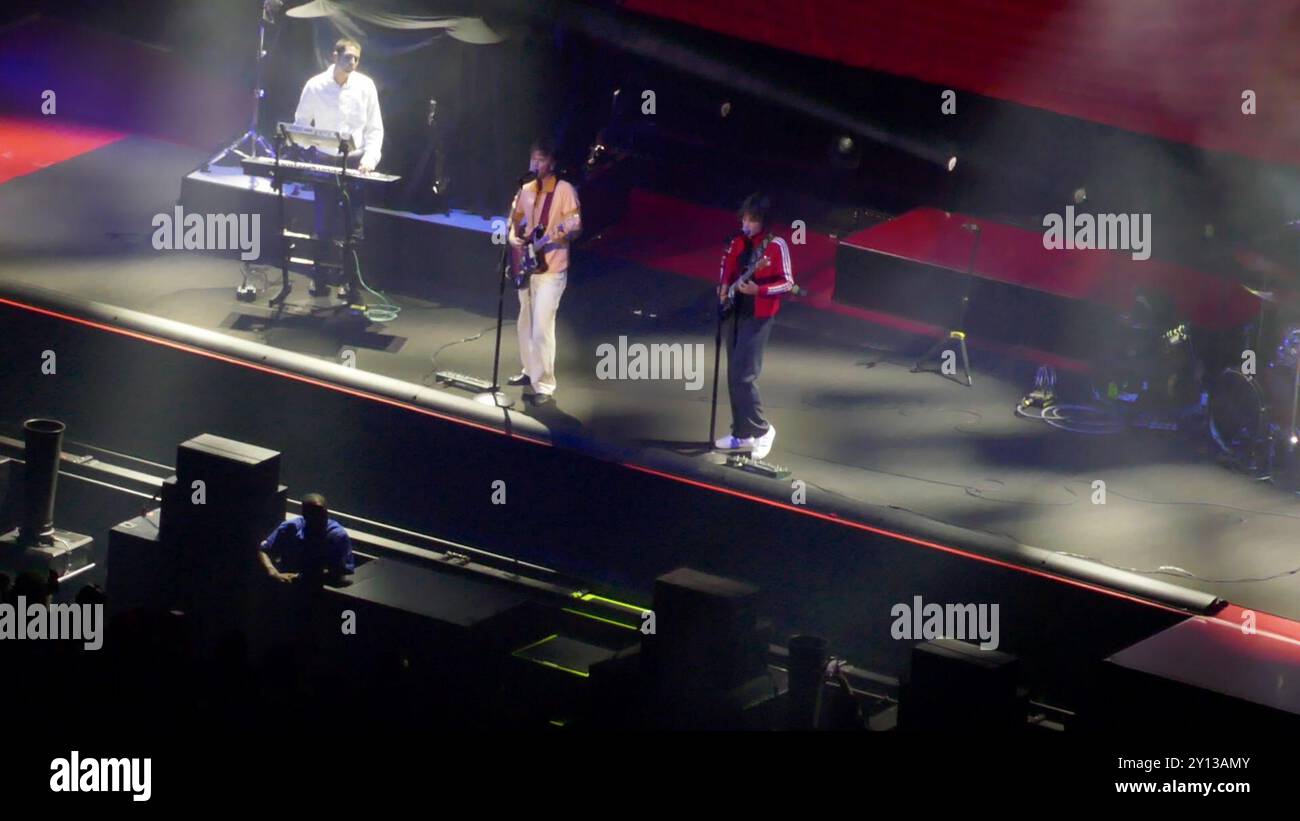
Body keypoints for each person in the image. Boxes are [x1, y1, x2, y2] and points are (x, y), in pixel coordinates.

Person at [293, 37, 384, 304]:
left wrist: (371, 158)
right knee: (323, 223)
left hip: (354, 162)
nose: (352, 63)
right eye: (348, 58)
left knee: (354, 228)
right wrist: (310, 143)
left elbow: (375, 128)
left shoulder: (365, 86)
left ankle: (349, 282)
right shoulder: (315, 85)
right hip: (325, 160)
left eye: (356, 59)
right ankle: (319, 275)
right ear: (335, 56)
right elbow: (300, 125)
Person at [714, 193, 795, 460]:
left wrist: (759, 289)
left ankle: (762, 431)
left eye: (753, 220)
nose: (746, 224)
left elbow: (787, 283)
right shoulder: (738, 240)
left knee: (744, 376)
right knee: (732, 376)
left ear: (764, 221)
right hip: (736, 313)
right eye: (745, 218)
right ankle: (741, 433)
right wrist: (724, 288)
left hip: (759, 317)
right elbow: (727, 265)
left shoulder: (777, 245)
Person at [506, 137, 582, 406]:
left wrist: (559, 233)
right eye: (533, 159)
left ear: (552, 163)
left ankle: (546, 385)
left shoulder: (564, 190)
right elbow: (514, 221)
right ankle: (530, 371)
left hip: (552, 269)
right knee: (524, 323)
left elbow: (574, 225)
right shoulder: (525, 189)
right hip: (528, 266)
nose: (535, 164)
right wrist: (514, 238)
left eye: (541, 159)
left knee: (541, 328)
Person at [258, 493, 354, 586]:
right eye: (314, 514)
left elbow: (339, 573)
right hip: (283, 581)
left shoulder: (336, 536)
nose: (319, 518)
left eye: (322, 513)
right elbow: (264, 550)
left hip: (317, 588)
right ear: (304, 514)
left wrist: (301, 578)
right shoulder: (291, 527)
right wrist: (272, 571)